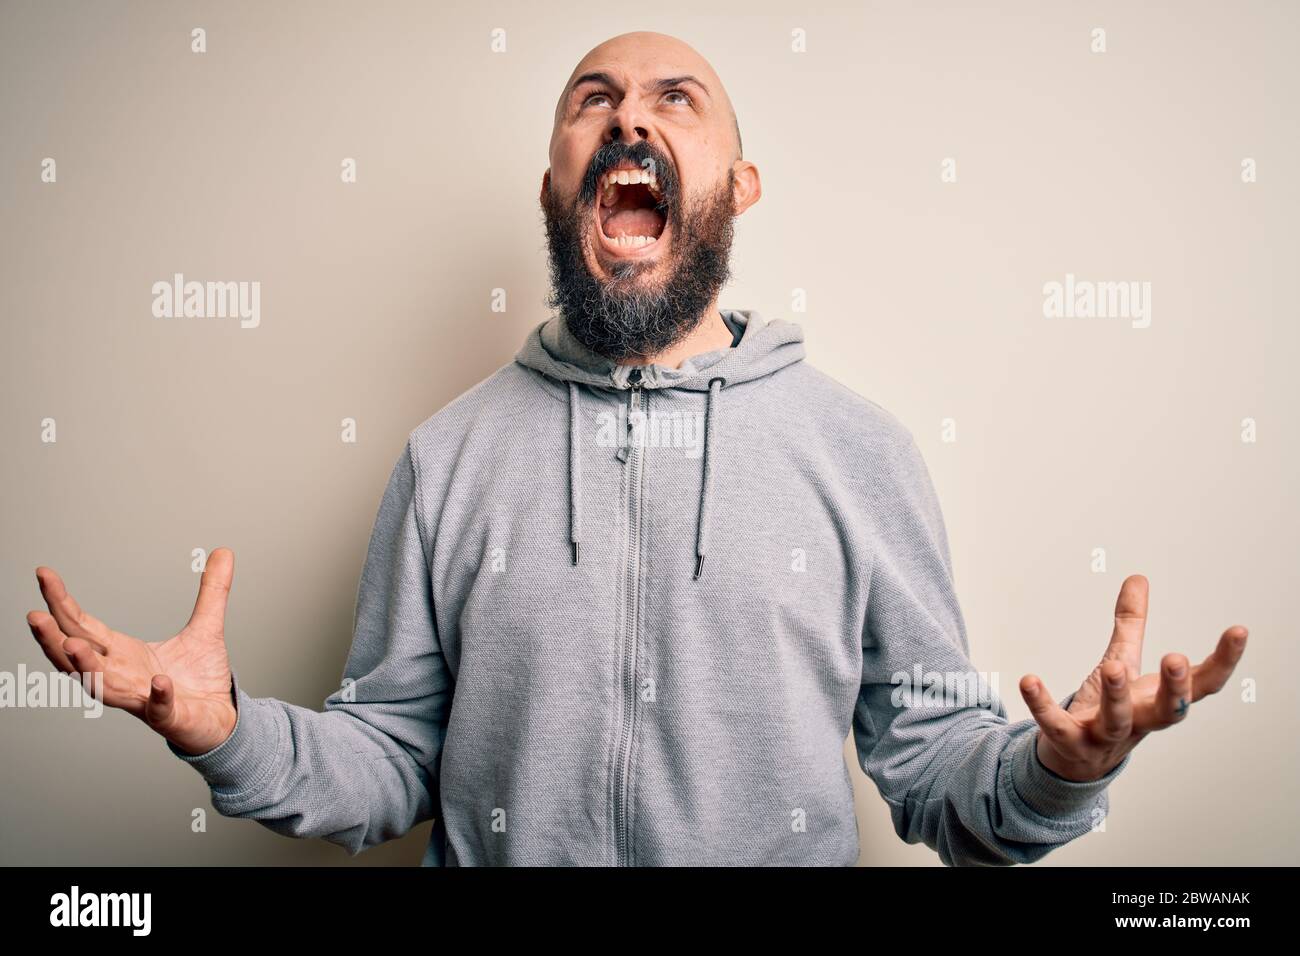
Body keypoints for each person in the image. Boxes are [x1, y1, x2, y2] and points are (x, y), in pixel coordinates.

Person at [26, 31, 1248, 866]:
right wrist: (227, 727)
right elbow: (392, 760)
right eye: (592, 100)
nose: (629, 118)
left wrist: (1056, 772)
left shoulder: (858, 452)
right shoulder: (445, 457)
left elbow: (930, 767)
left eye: (677, 100)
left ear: (739, 184)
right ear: (556, 188)